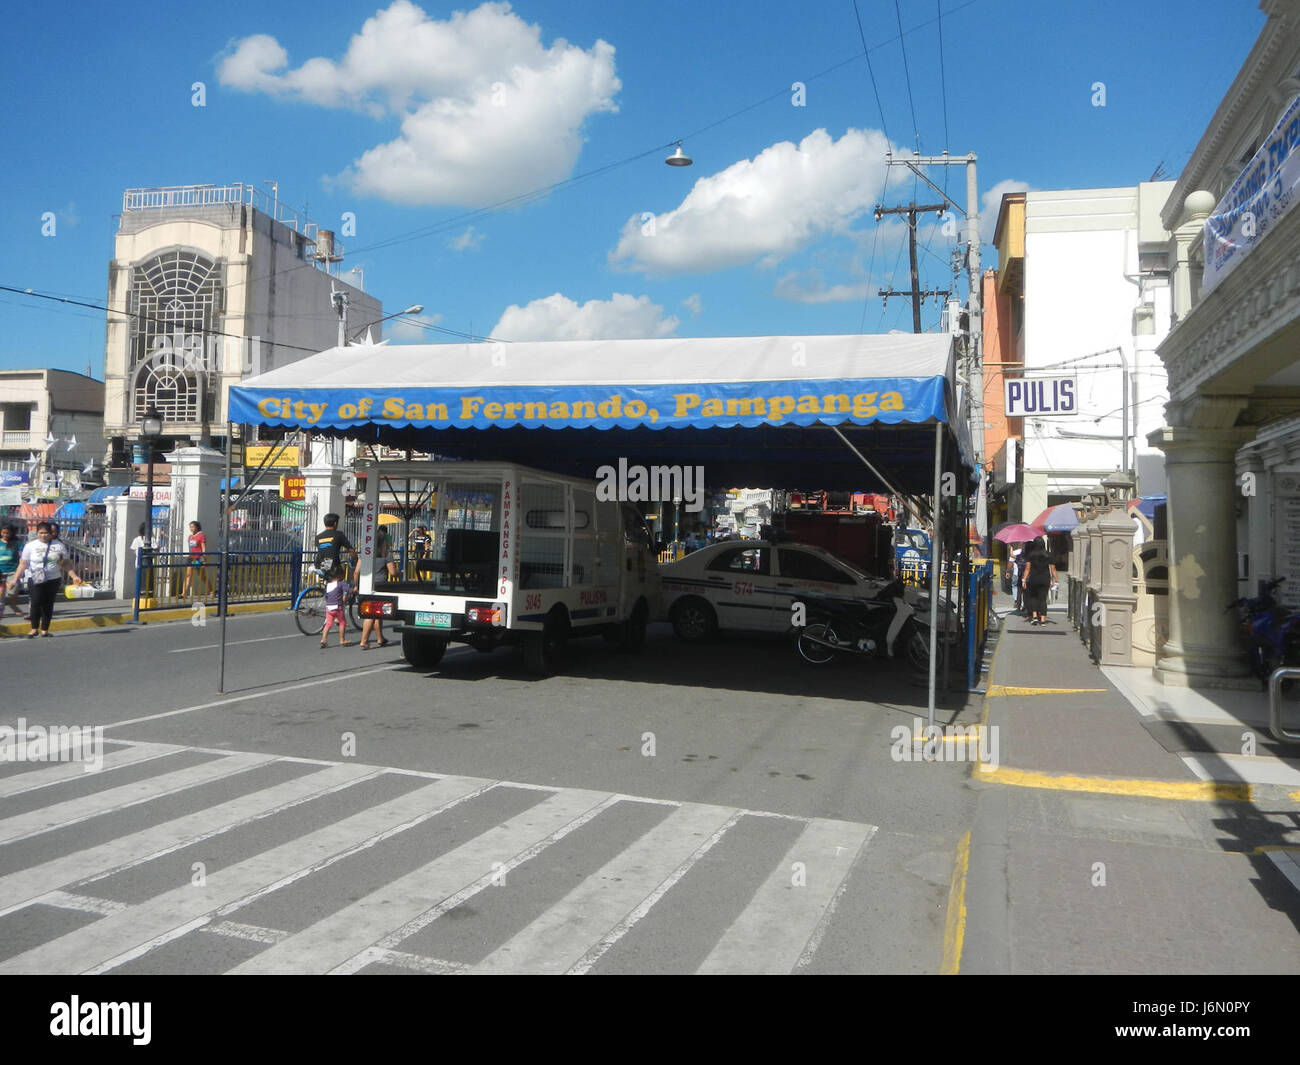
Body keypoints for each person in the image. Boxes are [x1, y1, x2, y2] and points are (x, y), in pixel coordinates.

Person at [6, 521, 83, 637]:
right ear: (37, 533)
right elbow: (23, 564)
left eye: (46, 533)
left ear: (51, 534)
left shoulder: (58, 546)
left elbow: (65, 563)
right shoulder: (30, 546)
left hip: (53, 578)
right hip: (35, 578)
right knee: (36, 602)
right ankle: (34, 628)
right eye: (41, 533)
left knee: (48, 604)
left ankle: (45, 630)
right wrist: (14, 580)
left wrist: (74, 576)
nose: (43, 535)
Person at [359, 526, 394, 650]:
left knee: (375, 614)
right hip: (380, 586)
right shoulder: (386, 555)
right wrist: (400, 574)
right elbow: (393, 572)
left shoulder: (366, 553)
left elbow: (357, 571)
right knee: (373, 614)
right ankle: (364, 641)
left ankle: (380, 638)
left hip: (366, 584)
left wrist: (356, 584)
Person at [1020, 539, 1057, 626]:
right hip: (1045, 578)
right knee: (1043, 599)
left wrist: (1024, 580)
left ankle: (1035, 617)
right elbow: (1053, 570)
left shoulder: (1030, 555)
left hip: (1034, 578)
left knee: (1033, 597)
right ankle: (1043, 620)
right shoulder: (1049, 555)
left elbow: (1027, 569)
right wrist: (1056, 580)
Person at [320, 563, 352, 649]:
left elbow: (326, 596)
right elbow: (349, 590)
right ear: (339, 575)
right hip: (338, 607)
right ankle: (342, 640)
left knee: (328, 623)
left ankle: (323, 639)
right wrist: (355, 590)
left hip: (329, 608)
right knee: (342, 622)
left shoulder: (328, 585)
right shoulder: (340, 584)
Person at [181, 521, 210, 599]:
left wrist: (203, 558)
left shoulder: (201, 535)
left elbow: (203, 547)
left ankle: (211, 590)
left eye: (193, 527)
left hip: (198, 558)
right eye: (190, 527)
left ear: (197, 527)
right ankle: (183, 593)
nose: (191, 529)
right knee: (188, 575)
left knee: (202, 576)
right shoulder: (190, 537)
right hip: (191, 557)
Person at [0, 524, 21, 629]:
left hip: (13, 571)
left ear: (12, 533)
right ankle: (1, 612)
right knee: (1, 594)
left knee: (12, 592)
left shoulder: (16, 543)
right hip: (0, 571)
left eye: (7, 533)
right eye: (3, 532)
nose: (5, 535)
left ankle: (13, 604)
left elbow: (22, 556)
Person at [1010, 544, 1026, 613]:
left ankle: (1018, 607)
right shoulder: (1028, 557)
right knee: (1026, 592)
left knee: (1019, 592)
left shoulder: (1019, 557)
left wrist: (1011, 546)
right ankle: (1025, 607)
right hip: (1026, 576)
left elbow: (1012, 555)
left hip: (1020, 575)